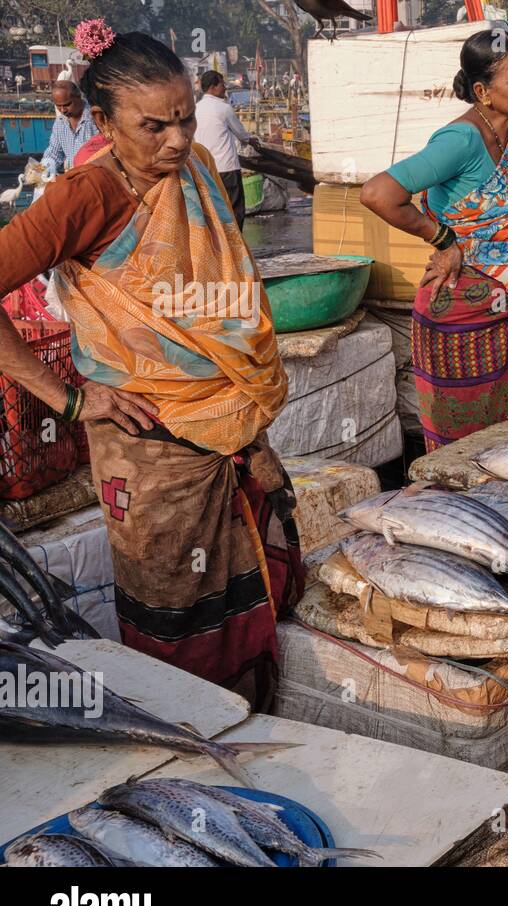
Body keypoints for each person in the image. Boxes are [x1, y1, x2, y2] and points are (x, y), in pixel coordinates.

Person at [0, 25, 301, 708]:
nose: (174, 138)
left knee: (248, 588)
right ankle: (189, 746)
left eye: (185, 117)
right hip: (151, 447)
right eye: (153, 125)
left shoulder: (189, 165)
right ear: (103, 122)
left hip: (228, 423)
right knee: (178, 615)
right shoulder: (87, 195)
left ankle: (254, 727)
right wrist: (71, 400)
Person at [360, 30, 508, 450]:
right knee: (466, 449)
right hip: (461, 319)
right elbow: (378, 193)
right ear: (483, 91)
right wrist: (445, 241)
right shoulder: (461, 140)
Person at [195, 70, 258, 229]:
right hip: (227, 168)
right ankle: (236, 247)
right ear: (213, 87)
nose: (225, 88)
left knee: (212, 210)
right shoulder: (223, 108)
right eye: (222, 84)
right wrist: (251, 140)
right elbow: (242, 135)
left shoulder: (195, 109)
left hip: (205, 169)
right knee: (235, 209)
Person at [41, 80, 100, 177]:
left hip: (95, 177)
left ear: (78, 97)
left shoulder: (96, 119)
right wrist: (40, 170)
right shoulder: (60, 122)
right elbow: (54, 152)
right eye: (58, 106)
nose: (63, 110)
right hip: (74, 178)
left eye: (67, 105)